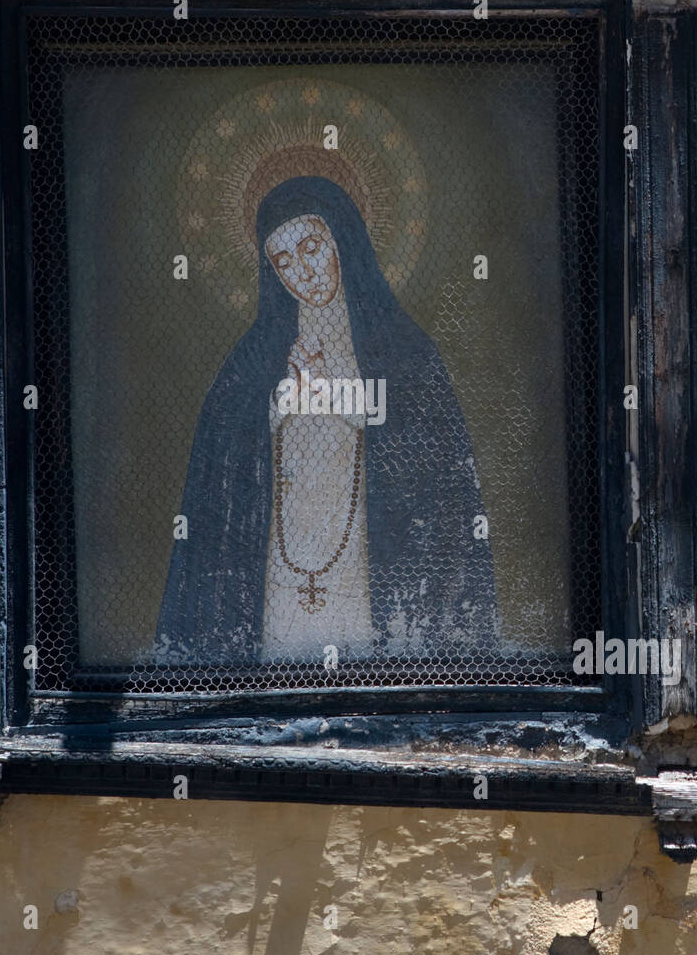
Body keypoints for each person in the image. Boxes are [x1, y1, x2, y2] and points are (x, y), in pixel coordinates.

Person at [157, 175, 496, 666]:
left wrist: (330, 393)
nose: (304, 272)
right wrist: (277, 404)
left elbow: (430, 451)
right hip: (281, 564)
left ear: (343, 240)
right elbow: (223, 450)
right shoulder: (255, 357)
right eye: (284, 262)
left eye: (312, 248)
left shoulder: (403, 348)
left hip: (368, 558)